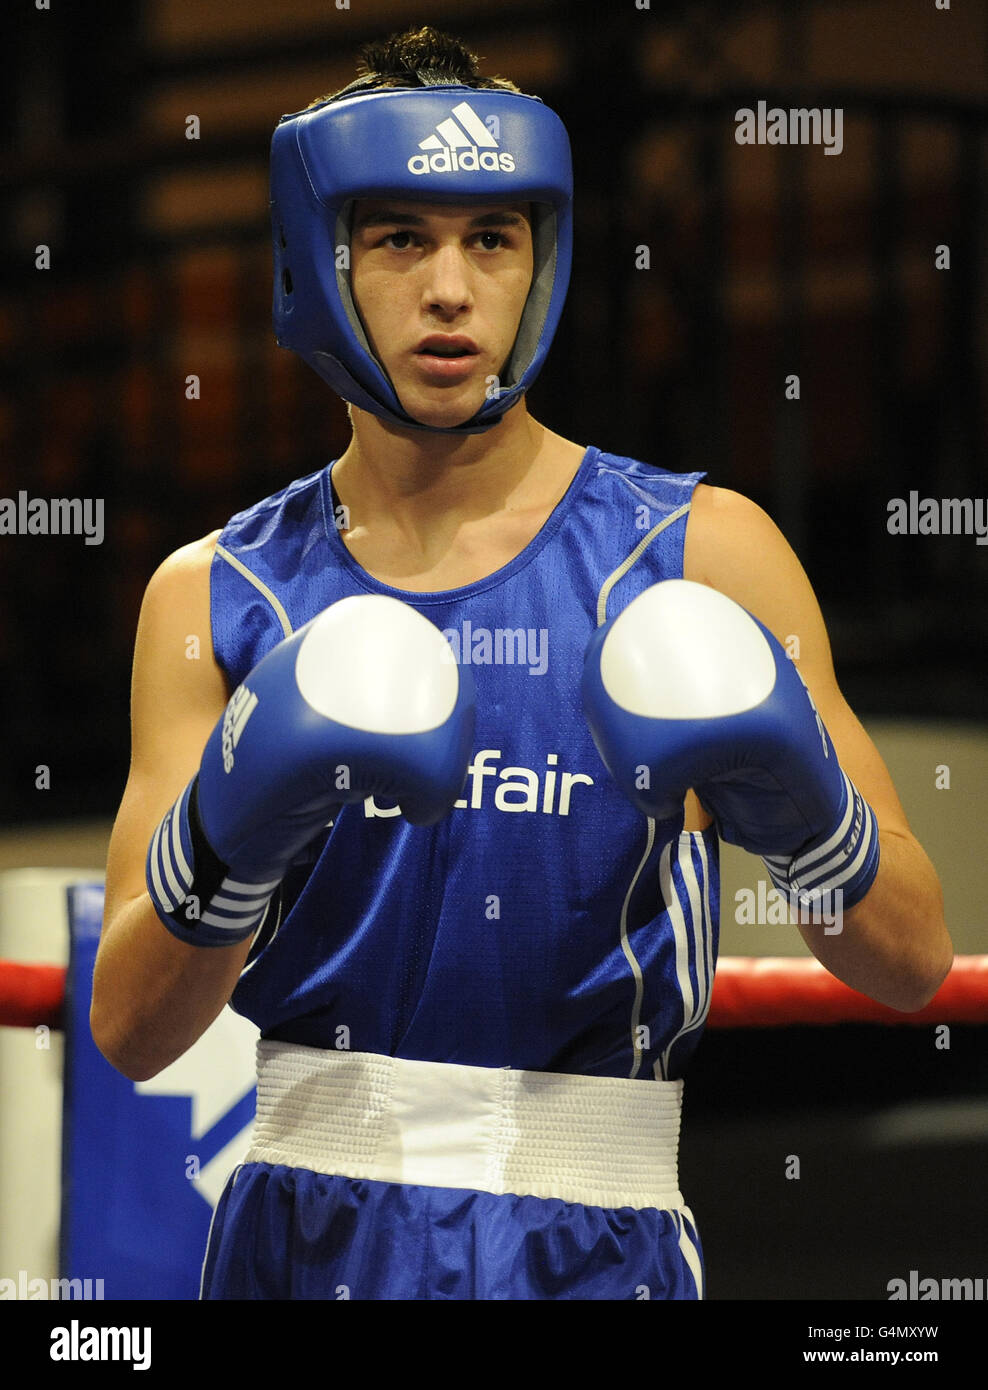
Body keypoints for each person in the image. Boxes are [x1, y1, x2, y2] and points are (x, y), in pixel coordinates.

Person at [91, 26, 952, 1301]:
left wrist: (797, 792)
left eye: (491, 238)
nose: (452, 290)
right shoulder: (217, 592)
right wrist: (234, 819)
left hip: (595, 1238)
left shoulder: (697, 555)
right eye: (401, 239)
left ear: (540, 256)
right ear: (315, 258)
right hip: (300, 1234)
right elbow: (132, 1032)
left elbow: (911, 959)